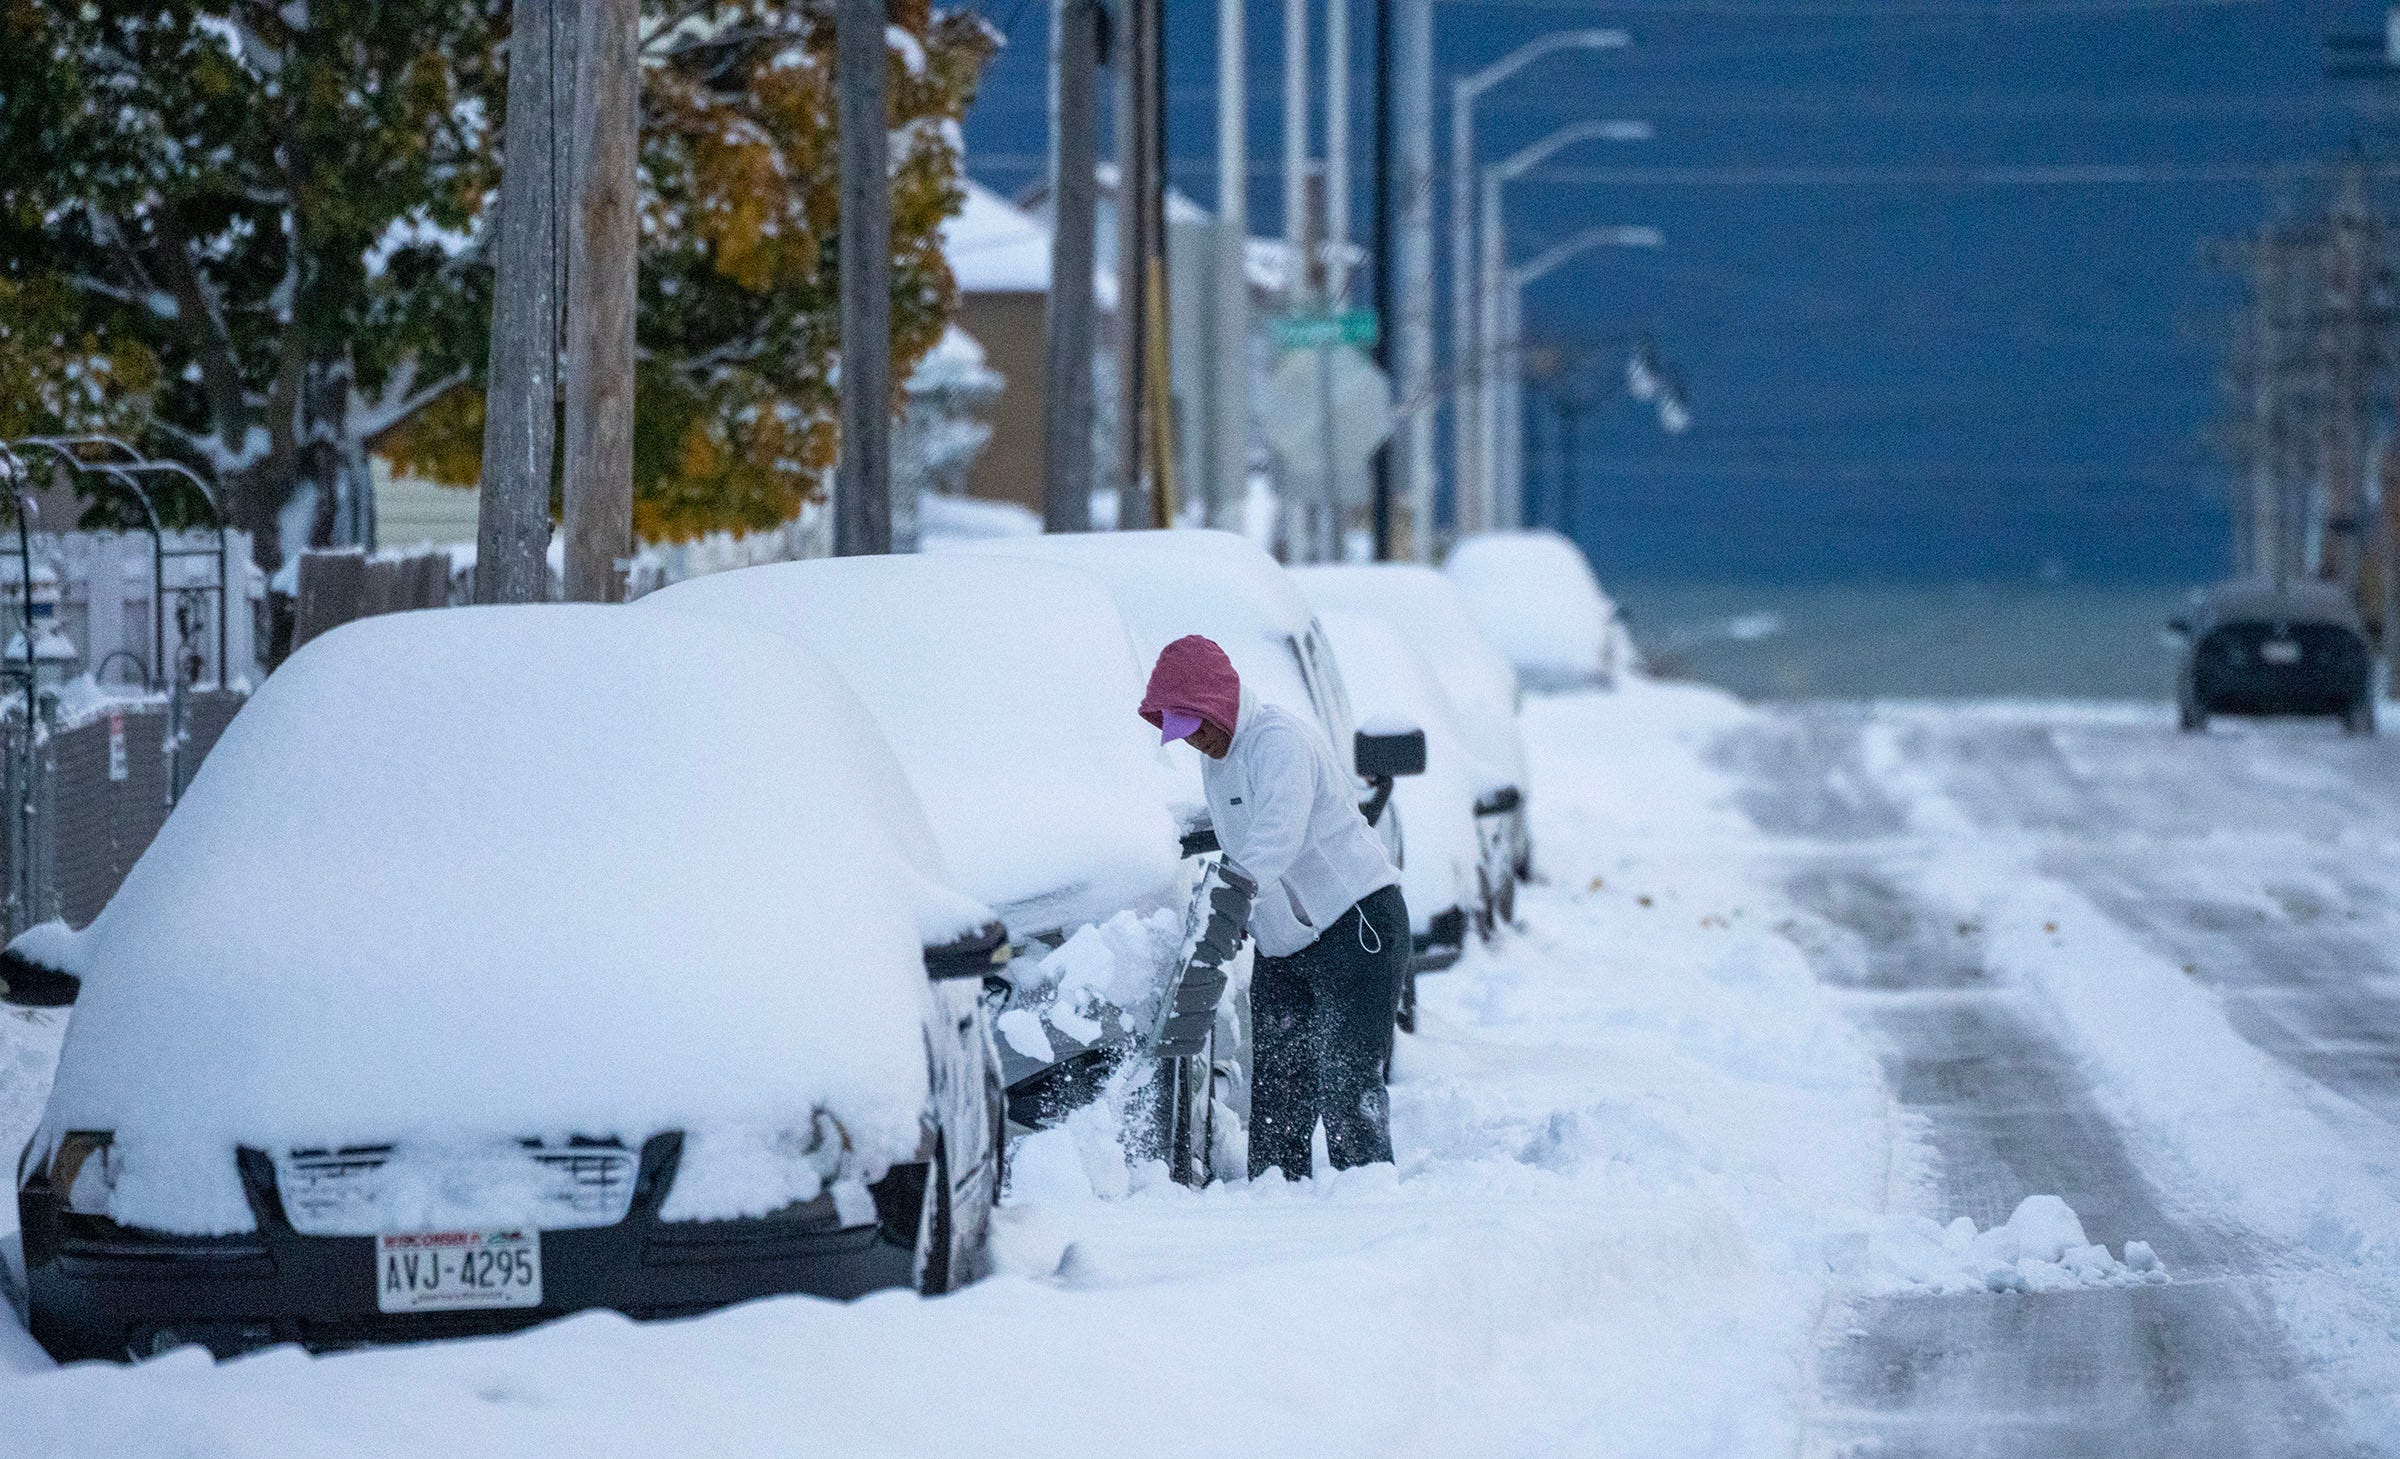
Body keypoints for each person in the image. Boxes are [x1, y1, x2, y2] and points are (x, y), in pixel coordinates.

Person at [1139, 633, 1410, 1179]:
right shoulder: (1217, 764)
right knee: (1280, 1091)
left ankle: (1371, 1205)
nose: (1195, 744)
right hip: (1287, 947)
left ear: (1216, 703)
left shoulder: (1278, 742)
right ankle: (1274, 1206)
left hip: (1356, 927)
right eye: (1182, 735)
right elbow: (1241, 846)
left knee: (1346, 1080)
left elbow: (1275, 837)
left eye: (1195, 728)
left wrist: (1231, 900)